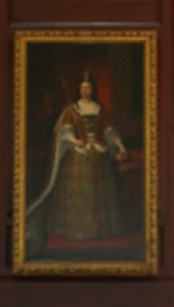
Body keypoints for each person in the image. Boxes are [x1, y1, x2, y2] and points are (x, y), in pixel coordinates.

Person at [24, 71, 129, 252]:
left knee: (98, 194)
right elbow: (64, 131)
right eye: (82, 88)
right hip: (77, 155)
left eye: (88, 88)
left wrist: (121, 146)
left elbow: (108, 130)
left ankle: (98, 230)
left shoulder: (99, 108)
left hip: (98, 154)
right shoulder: (71, 109)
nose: (85, 91)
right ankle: (76, 231)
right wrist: (75, 141)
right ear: (78, 90)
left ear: (93, 89)